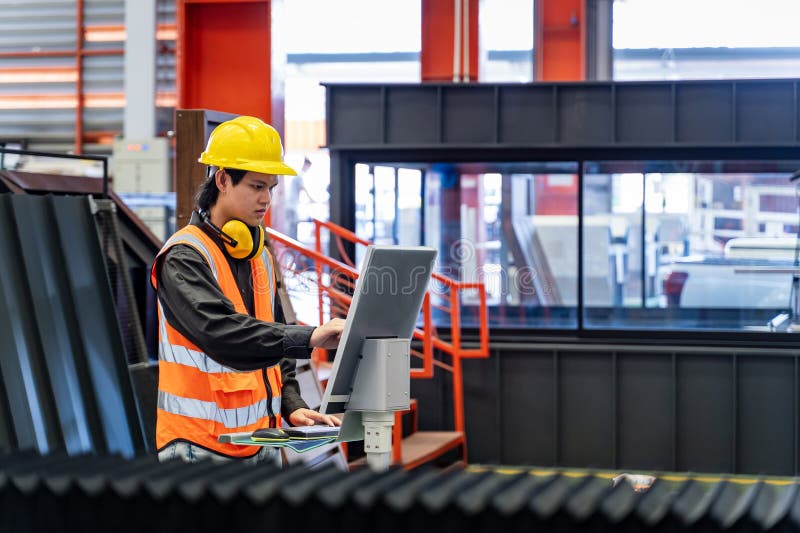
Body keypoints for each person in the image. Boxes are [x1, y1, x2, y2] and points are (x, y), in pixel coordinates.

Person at [150, 116, 345, 465]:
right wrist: (312, 336)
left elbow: (273, 342)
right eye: (257, 186)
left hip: (259, 439)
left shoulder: (260, 257)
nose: (266, 199)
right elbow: (222, 333)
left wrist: (292, 406)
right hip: (199, 447)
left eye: (271, 188)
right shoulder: (184, 257)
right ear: (223, 179)